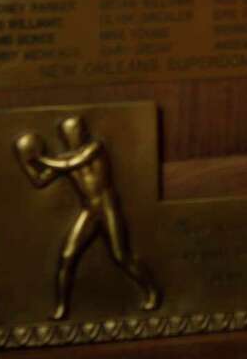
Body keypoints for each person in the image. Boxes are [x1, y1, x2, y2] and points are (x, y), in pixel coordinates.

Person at [15, 115, 161, 321]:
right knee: (67, 257)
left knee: (121, 256)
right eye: (67, 132)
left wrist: (40, 159)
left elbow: (71, 163)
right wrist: (26, 161)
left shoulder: (94, 147)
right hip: (89, 211)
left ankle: (152, 291)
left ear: (82, 131)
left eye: (75, 130)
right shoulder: (63, 159)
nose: (72, 135)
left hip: (107, 208)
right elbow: (39, 180)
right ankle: (61, 308)